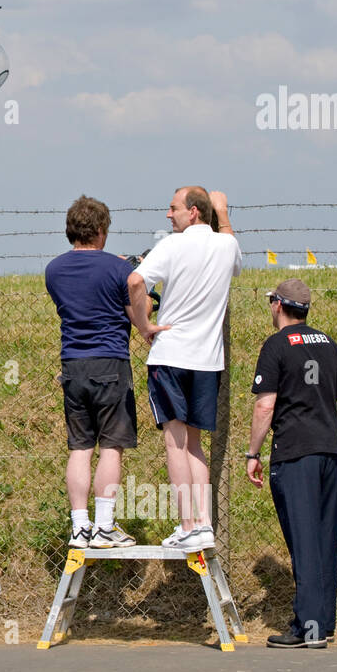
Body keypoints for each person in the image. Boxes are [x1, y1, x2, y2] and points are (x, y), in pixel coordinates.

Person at [246, 278, 337, 648]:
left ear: (278, 305)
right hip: (329, 452)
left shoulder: (276, 345)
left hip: (294, 454)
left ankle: (307, 630)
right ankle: (323, 623)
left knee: (304, 540)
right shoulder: (328, 343)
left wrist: (253, 452)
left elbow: (265, 405)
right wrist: (327, 428)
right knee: (325, 538)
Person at [128, 187, 239, 551]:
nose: (168, 215)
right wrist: (223, 212)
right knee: (195, 445)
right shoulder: (226, 247)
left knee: (174, 444)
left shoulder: (172, 246)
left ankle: (187, 524)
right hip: (208, 361)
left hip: (171, 357)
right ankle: (203, 523)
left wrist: (144, 326)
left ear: (193, 212)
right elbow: (230, 243)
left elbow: (135, 281)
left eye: (173, 208)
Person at [45, 196, 141, 549]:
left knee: (80, 447)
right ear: (101, 231)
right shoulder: (118, 270)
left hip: (73, 364)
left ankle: (79, 526)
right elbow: (136, 310)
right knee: (111, 447)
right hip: (111, 363)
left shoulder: (54, 270)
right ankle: (104, 525)